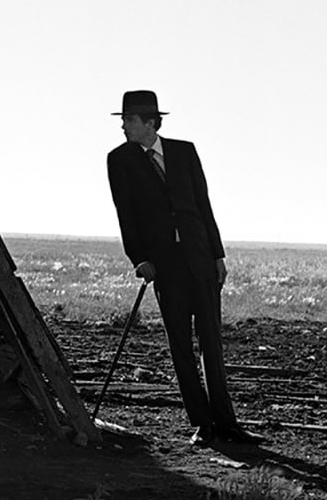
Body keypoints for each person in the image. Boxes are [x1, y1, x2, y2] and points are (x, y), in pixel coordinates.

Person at [105, 90, 258, 447]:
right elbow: (125, 213)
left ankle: (228, 424)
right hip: (164, 264)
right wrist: (138, 258)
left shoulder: (185, 152)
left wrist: (217, 255)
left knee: (212, 343)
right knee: (180, 346)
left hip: (200, 258)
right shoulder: (119, 160)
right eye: (124, 120)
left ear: (150, 123)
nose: (124, 127)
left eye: (129, 120)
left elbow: (204, 205)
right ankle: (203, 425)